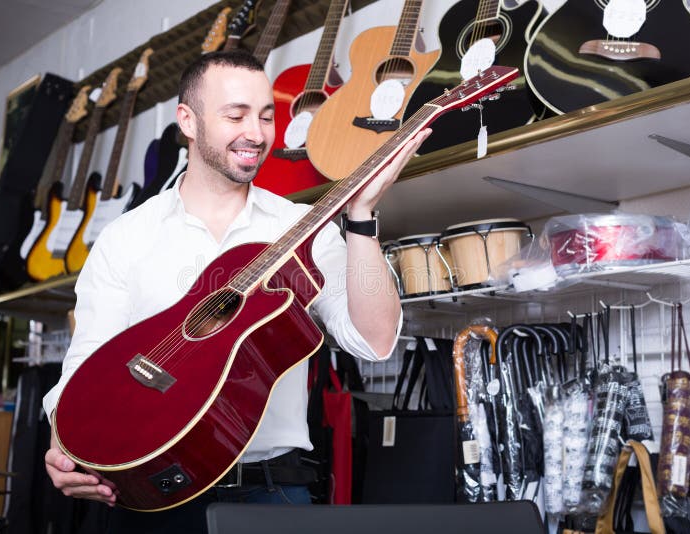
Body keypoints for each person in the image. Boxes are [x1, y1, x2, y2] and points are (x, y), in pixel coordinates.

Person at [43, 49, 431, 533]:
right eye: (236, 115)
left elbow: (374, 341)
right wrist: (65, 441)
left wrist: (361, 218)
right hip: (152, 494)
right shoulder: (126, 236)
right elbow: (87, 362)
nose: (257, 133)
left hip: (273, 494)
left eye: (266, 116)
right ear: (188, 120)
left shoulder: (302, 227)